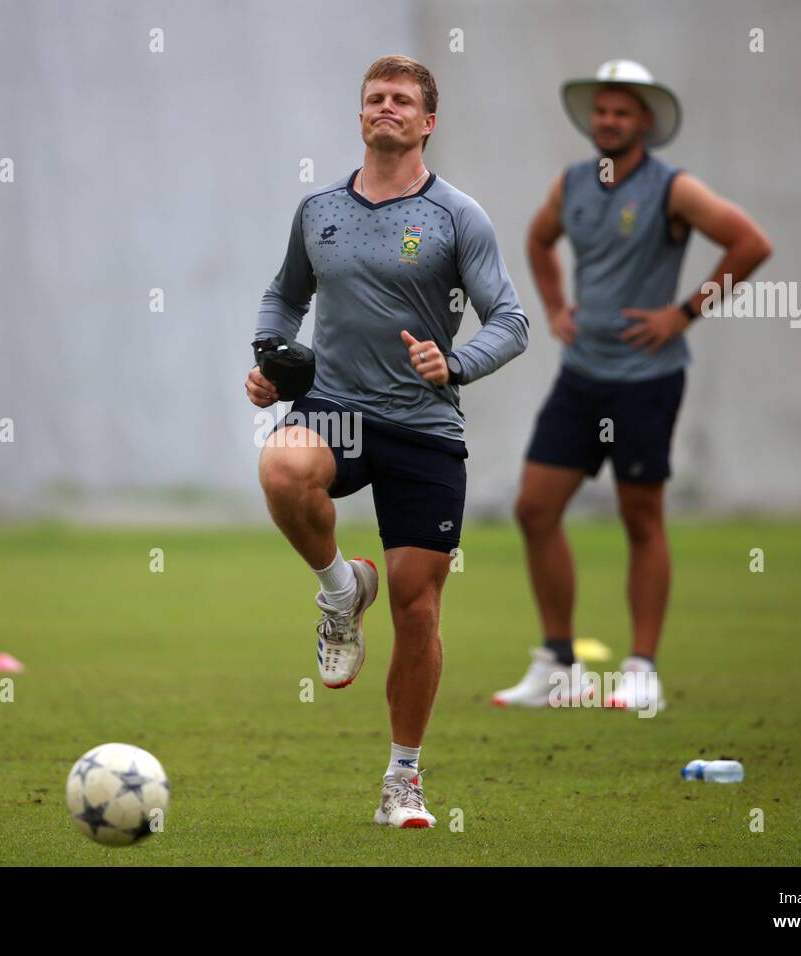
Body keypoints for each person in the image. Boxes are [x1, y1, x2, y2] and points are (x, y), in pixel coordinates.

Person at [249, 55, 529, 827]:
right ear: (361, 113)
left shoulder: (457, 215)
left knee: (417, 608)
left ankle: (402, 779)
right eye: (375, 97)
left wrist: (456, 363)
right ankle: (341, 590)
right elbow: (284, 294)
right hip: (335, 405)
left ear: (427, 121)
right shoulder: (319, 211)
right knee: (281, 468)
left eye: (402, 100)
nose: (386, 107)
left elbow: (511, 320)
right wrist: (268, 361)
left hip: (424, 423)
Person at [492, 60, 771, 711]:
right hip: (581, 376)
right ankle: (560, 665)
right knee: (534, 509)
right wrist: (557, 307)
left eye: (622, 112)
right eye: (602, 111)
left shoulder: (675, 189)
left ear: (645, 121)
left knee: (640, 517)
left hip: (647, 380)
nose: (609, 121)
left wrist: (685, 313)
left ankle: (642, 666)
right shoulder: (571, 185)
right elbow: (538, 241)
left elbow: (750, 243)